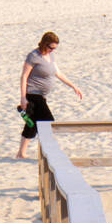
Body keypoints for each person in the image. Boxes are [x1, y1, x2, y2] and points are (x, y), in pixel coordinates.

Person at [17, 31, 82, 159]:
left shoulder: (51, 56)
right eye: (51, 47)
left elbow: (58, 73)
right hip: (33, 94)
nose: (53, 50)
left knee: (32, 124)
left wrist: (73, 86)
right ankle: (47, 152)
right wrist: (23, 98)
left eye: (55, 48)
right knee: (47, 121)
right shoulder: (33, 56)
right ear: (44, 44)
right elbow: (24, 76)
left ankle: (21, 153)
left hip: (42, 95)